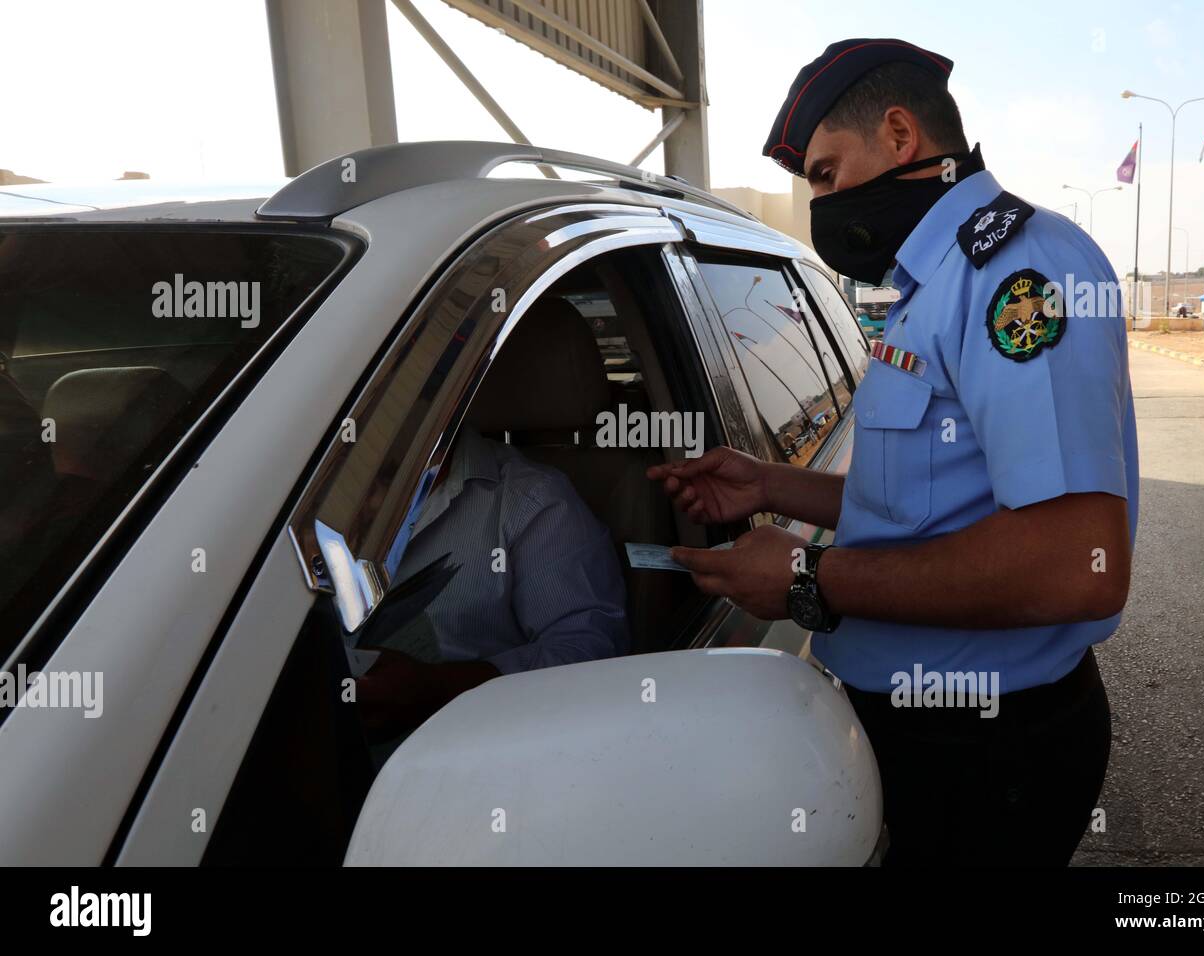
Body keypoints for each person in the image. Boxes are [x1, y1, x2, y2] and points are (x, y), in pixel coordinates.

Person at [649, 38, 1138, 867]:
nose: (823, 207)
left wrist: (806, 581)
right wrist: (770, 485)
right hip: (923, 738)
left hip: (989, 750)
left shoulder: (1015, 273)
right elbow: (930, 498)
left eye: (828, 176)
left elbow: (1075, 563)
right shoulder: (932, 286)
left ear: (902, 137)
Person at [357, 424, 630, 740]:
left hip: (481, 759)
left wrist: (440, 689)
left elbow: (588, 656)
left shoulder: (533, 500)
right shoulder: (315, 497)